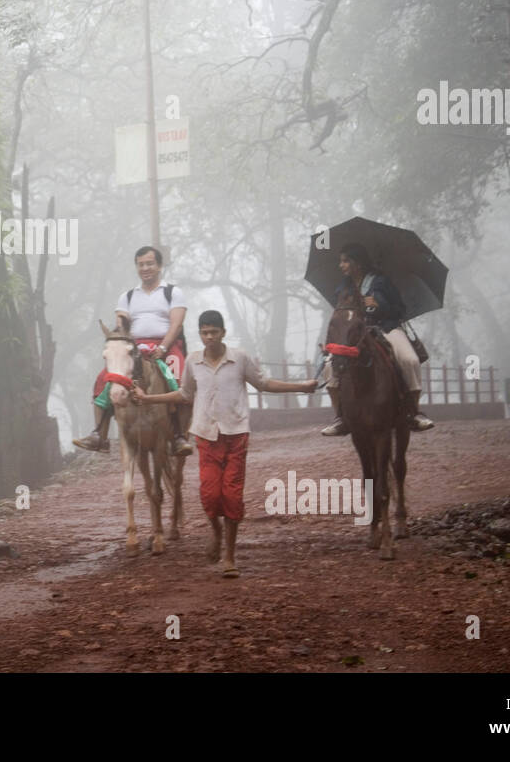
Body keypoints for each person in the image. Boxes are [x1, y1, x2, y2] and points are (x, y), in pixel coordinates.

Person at [134, 310, 316, 577]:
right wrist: (148, 399)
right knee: (209, 495)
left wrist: (301, 386)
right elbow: (185, 394)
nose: (209, 337)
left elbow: (264, 383)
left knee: (232, 496)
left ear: (223, 333)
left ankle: (230, 556)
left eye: (214, 332)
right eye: (204, 332)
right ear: (200, 334)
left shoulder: (239, 358)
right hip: (206, 436)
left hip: (236, 434)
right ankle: (216, 532)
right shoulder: (194, 361)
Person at [73, 245, 193, 456]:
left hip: (166, 345)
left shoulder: (172, 292)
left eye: (150, 263)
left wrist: (163, 347)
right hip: (134, 348)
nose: (145, 268)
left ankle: (179, 436)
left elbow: (176, 324)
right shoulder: (127, 297)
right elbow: (122, 326)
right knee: (104, 379)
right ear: (136, 267)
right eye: (141, 264)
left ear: (159, 266)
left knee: (181, 382)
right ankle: (99, 434)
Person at [320, 242, 435, 436]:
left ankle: (413, 413)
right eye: (341, 261)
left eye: (345, 261)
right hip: (354, 332)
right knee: (330, 366)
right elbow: (340, 313)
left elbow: (400, 310)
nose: (341, 265)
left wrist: (379, 304)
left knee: (409, 360)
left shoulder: (381, 282)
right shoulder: (344, 287)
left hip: (386, 327)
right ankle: (341, 417)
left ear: (357, 263)